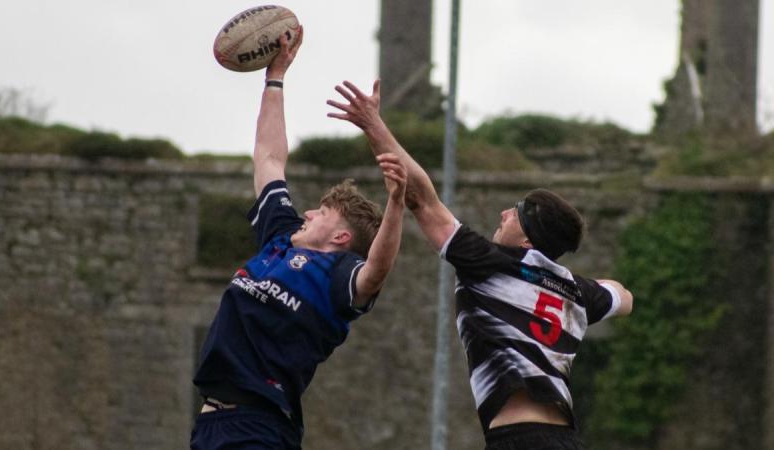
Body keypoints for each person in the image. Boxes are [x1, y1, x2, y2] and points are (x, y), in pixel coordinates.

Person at [327, 80, 633, 450]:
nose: (503, 213)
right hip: (566, 441)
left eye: (516, 213)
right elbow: (623, 296)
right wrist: (576, 286)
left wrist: (373, 124)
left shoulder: (490, 263)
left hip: (517, 440)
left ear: (528, 241)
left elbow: (421, 199)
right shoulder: (577, 292)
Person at [191, 30, 408, 450]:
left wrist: (396, 204)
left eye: (322, 213)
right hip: (211, 426)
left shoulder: (337, 278)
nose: (308, 213)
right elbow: (269, 157)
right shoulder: (280, 239)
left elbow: (377, 271)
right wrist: (275, 77)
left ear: (341, 236)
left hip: (259, 427)